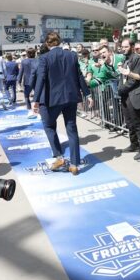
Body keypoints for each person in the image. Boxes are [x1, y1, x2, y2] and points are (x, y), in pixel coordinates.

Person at [32, 31, 92, 175]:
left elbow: (41, 79)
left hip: (52, 100)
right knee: (72, 129)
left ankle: (59, 157)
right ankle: (75, 164)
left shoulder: (44, 58)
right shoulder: (71, 55)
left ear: (47, 43)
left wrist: (35, 100)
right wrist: (88, 94)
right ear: (59, 42)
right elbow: (79, 77)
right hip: (71, 97)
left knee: (48, 125)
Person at [117, 38, 140, 161]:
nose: (123, 49)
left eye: (126, 47)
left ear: (131, 47)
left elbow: (134, 79)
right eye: (122, 47)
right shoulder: (125, 59)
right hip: (126, 95)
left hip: (133, 94)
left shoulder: (136, 58)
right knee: (129, 122)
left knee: (137, 122)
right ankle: (134, 144)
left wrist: (121, 89)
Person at [18, 48, 38, 112]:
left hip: (27, 81)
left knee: (26, 96)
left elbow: (21, 72)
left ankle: (29, 108)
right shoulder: (38, 60)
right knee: (38, 94)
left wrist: (19, 80)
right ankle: (37, 107)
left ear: (27, 54)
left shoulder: (24, 61)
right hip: (36, 80)